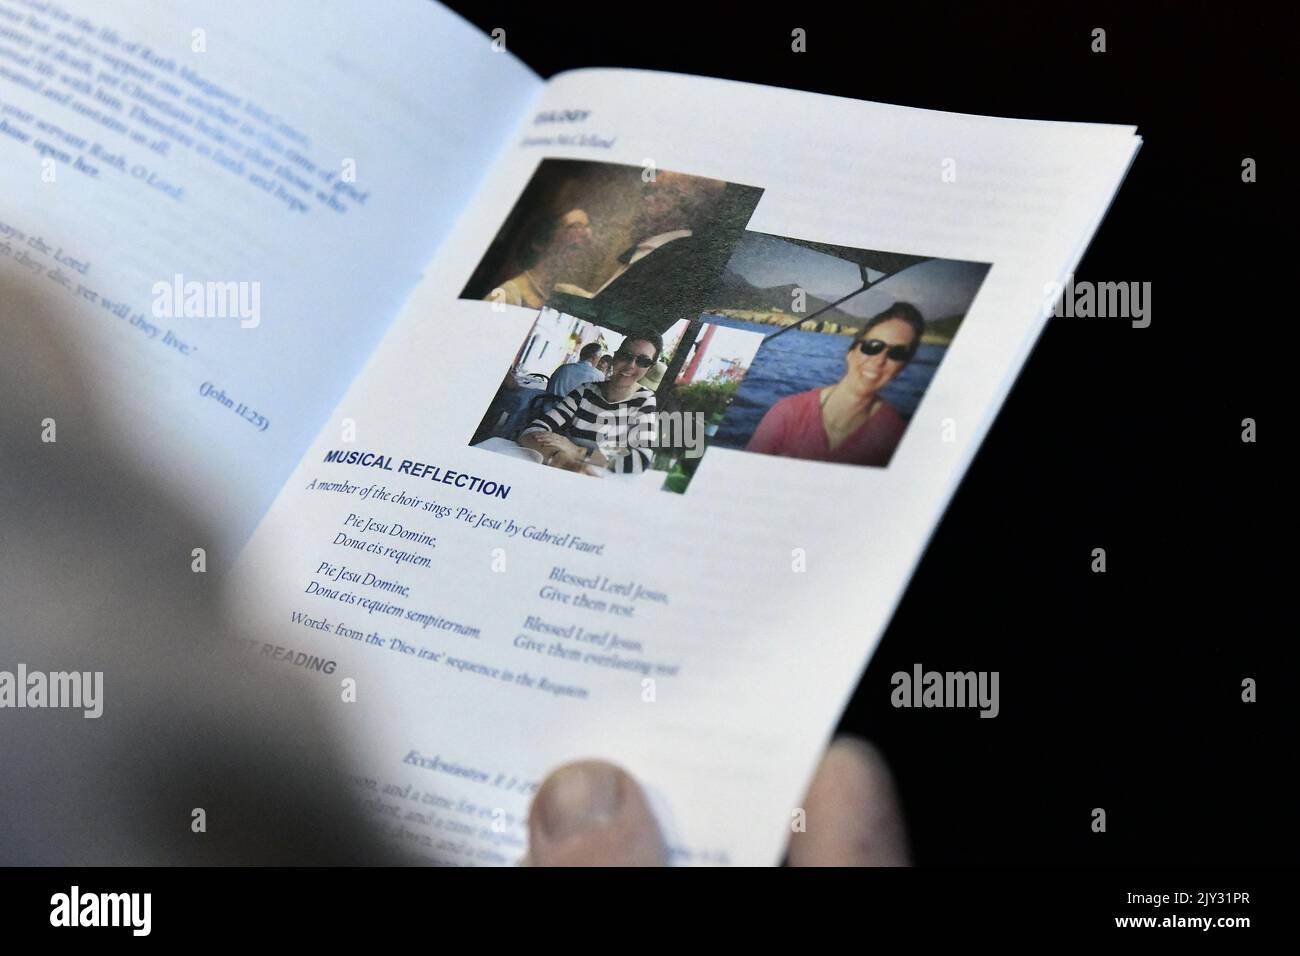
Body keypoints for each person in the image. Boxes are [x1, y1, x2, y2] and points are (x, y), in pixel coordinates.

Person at [746, 303, 924, 466]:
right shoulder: (788, 412)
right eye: (873, 346)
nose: (879, 361)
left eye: (897, 353)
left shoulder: (897, 439)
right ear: (851, 352)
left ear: (903, 366)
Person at [518, 332, 662, 474]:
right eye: (626, 355)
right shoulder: (586, 390)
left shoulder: (645, 400)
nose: (631, 365)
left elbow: (639, 461)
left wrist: (576, 450)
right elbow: (531, 431)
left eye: (643, 361)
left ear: (649, 367)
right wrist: (561, 460)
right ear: (615, 356)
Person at [486, 208, 594, 308]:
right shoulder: (505, 297)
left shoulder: (567, 292)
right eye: (575, 227)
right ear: (540, 242)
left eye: (587, 227)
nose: (587, 234)